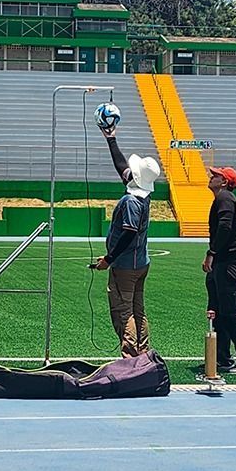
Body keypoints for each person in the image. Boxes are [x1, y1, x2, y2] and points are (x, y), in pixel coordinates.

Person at [92, 126, 160, 358]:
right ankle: (143, 354)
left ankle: (130, 356)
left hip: (126, 266)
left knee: (124, 311)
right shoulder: (143, 194)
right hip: (141, 262)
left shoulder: (131, 201)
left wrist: (109, 259)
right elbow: (122, 167)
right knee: (138, 310)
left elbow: (128, 233)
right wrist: (111, 139)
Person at [203, 166, 236, 374]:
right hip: (223, 263)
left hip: (229, 264)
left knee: (231, 313)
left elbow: (225, 227)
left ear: (224, 182)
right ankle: (222, 358)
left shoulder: (225, 197)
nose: (211, 176)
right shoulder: (223, 198)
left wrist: (211, 252)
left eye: (216, 175)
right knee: (219, 312)